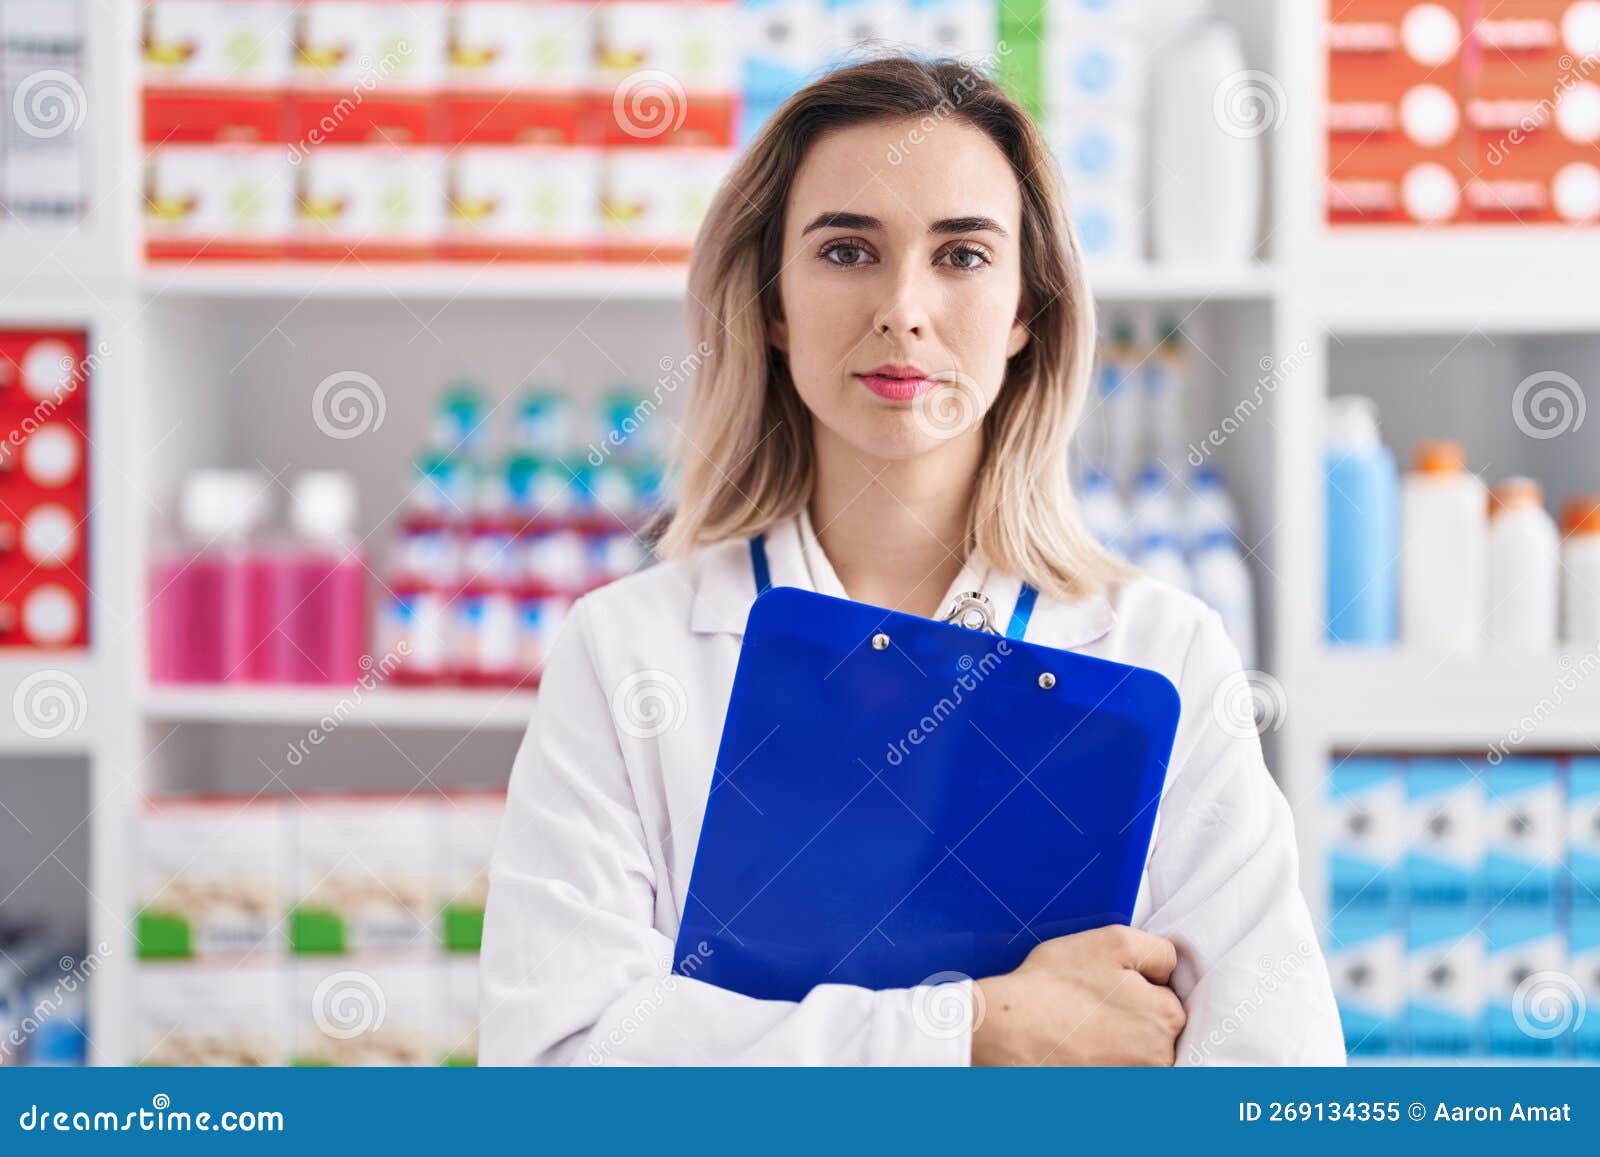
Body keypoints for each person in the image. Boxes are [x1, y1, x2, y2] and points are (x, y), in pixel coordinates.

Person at [478, 55, 1345, 1066]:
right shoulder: (627, 650)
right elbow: (558, 1066)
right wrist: (975, 1029)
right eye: (847, 250)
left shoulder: (1158, 652)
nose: (902, 307)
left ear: (1029, 308)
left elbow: (1273, 1072)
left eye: (963, 256)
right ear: (771, 301)